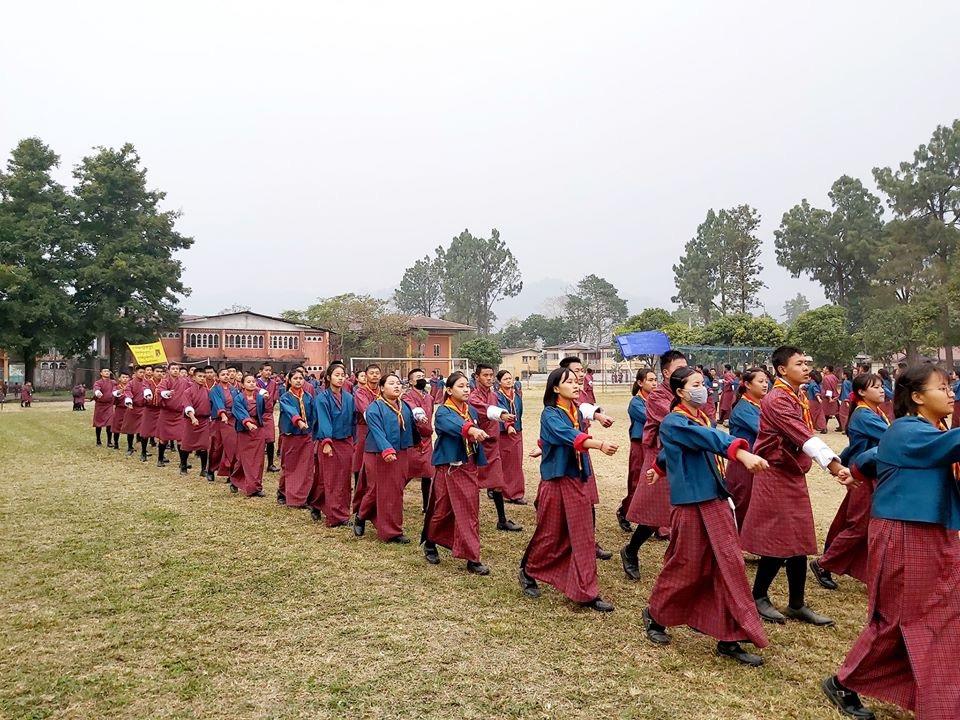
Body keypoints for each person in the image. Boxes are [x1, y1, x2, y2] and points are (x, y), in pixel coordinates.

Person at [822, 364, 960, 720]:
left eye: (951, 387)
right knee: (898, 617)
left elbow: (874, 455)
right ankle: (843, 682)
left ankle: (936, 692)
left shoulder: (921, 432)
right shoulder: (908, 429)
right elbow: (945, 446)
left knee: (941, 612)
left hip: (933, 530)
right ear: (916, 397)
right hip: (906, 532)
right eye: (942, 387)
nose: (950, 394)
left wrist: (858, 468)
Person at [641, 366, 769, 666]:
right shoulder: (675, 421)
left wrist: (659, 469)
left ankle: (730, 638)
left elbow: (676, 449)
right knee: (686, 566)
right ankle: (656, 615)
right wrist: (741, 453)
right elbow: (706, 439)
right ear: (680, 392)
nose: (705, 388)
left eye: (705, 383)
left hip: (714, 499)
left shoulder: (699, 417)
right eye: (697, 384)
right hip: (691, 505)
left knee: (729, 566)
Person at [740, 346, 853, 627]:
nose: (806, 367)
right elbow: (803, 436)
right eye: (799, 363)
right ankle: (759, 596)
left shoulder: (797, 395)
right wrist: (835, 466)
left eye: (807, 362)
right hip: (774, 473)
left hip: (791, 473)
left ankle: (796, 603)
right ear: (781, 369)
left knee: (799, 539)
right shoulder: (777, 399)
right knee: (778, 539)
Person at [519, 366, 619, 611]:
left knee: (583, 535)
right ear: (555, 388)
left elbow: (564, 435)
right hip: (555, 481)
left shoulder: (576, 411)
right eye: (570, 382)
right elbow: (564, 434)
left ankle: (586, 591)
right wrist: (598, 444)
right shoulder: (550, 413)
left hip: (577, 479)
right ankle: (529, 569)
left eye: (578, 381)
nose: (577, 385)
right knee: (551, 534)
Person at [810, 373, 889, 590]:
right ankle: (823, 563)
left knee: (852, 521)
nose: (882, 390)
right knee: (859, 525)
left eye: (882, 386)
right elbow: (892, 437)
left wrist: (842, 465)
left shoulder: (872, 412)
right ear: (862, 392)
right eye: (876, 387)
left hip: (866, 473)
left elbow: (853, 447)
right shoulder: (865, 415)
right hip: (864, 476)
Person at [622, 350, 688, 579]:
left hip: (682, 457)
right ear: (667, 372)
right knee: (654, 514)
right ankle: (631, 550)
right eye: (680, 369)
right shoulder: (659, 397)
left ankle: (680, 564)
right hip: (660, 458)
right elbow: (680, 422)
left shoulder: (687, 392)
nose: (686, 372)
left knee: (683, 512)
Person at [422, 371, 492, 574]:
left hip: (468, 466)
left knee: (469, 511)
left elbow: (479, 420)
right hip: (450, 468)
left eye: (467, 386)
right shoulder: (443, 412)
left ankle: (472, 557)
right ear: (449, 390)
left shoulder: (471, 410)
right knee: (442, 509)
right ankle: (430, 540)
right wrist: (471, 430)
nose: (466, 390)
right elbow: (455, 426)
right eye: (460, 386)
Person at [558, 355, 616, 560]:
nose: (580, 375)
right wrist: (598, 416)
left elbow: (585, 407)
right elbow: (583, 408)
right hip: (564, 457)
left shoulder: (579, 392)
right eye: (575, 372)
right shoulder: (558, 403)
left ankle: (589, 541)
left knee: (587, 497)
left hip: (581, 450)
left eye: (582, 371)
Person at [355, 373, 416, 543]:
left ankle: (394, 530)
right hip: (378, 453)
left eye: (398, 383)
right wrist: (387, 450)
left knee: (395, 490)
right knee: (376, 489)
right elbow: (377, 432)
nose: (397, 386)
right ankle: (361, 515)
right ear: (382, 388)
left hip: (401, 452)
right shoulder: (375, 408)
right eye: (391, 383)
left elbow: (412, 428)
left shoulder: (404, 406)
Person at [468, 364, 522, 532]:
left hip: (493, 444)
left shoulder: (493, 395)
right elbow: (486, 410)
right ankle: (468, 520)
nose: (489, 378)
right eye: (485, 375)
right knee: (472, 484)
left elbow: (500, 411)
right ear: (477, 377)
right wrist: (501, 415)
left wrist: (508, 423)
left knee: (498, 481)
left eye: (491, 375)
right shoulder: (473, 396)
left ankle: (502, 520)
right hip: (477, 445)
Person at [723, 368, 768, 529]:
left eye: (766, 381)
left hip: (755, 461)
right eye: (760, 381)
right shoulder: (743, 409)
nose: (765, 385)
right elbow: (764, 430)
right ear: (748, 384)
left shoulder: (758, 405)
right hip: (743, 463)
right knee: (742, 502)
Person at [315, 363, 357, 527]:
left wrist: (354, 440)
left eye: (343, 375)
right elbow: (324, 421)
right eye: (337, 375)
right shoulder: (322, 398)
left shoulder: (349, 398)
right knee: (331, 479)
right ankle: (335, 517)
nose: (340, 378)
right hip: (329, 443)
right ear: (328, 378)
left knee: (344, 480)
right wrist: (326, 442)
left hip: (346, 442)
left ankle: (343, 513)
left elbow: (353, 422)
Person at [616, 368, 657, 535]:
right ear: (640, 383)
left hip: (653, 445)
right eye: (650, 380)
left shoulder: (654, 400)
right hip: (639, 445)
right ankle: (625, 512)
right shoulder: (636, 402)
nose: (654, 383)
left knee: (653, 482)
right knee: (637, 482)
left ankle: (653, 523)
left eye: (656, 379)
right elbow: (651, 418)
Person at [277, 369, 317, 510]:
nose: (299, 381)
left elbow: (313, 415)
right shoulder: (285, 397)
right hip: (291, 435)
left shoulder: (308, 397)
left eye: (301, 378)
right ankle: (283, 493)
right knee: (289, 465)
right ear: (289, 380)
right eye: (295, 378)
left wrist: (313, 430)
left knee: (305, 467)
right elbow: (290, 411)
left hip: (306, 436)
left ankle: (301, 497)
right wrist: (298, 421)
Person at [230, 372, 268, 497]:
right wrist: (248, 423)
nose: (251, 384)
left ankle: (256, 487)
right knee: (244, 459)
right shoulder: (238, 398)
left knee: (258, 459)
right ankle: (236, 480)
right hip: (245, 430)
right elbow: (239, 412)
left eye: (253, 382)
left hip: (258, 430)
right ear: (242, 384)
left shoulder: (260, 398)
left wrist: (256, 424)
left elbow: (262, 411)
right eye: (248, 382)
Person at [402, 368, 435, 512]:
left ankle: (426, 505)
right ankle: (395, 496)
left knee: (428, 472)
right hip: (413, 438)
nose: (422, 379)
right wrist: (420, 416)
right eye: (418, 377)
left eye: (423, 376)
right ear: (411, 382)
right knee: (407, 472)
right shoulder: (406, 397)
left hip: (427, 438)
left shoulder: (429, 398)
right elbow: (414, 410)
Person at [351, 364, 382, 517]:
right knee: (361, 464)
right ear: (366, 375)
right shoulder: (361, 392)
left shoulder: (383, 391)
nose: (375, 376)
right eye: (372, 373)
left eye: (377, 373)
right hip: (364, 430)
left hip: (383, 431)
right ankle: (359, 498)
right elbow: (367, 412)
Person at [494, 369, 526, 505]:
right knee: (507, 463)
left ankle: (515, 491)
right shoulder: (497, 396)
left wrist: (516, 426)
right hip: (505, 433)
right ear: (499, 382)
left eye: (510, 378)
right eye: (505, 379)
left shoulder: (516, 394)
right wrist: (508, 426)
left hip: (517, 432)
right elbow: (501, 411)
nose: (508, 381)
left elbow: (520, 411)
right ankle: (511, 494)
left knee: (517, 462)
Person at [180, 368, 212, 477]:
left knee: (204, 445)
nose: (202, 379)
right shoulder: (187, 392)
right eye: (200, 376)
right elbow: (187, 406)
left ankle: (203, 469)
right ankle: (183, 466)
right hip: (190, 420)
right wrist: (193, 418)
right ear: (193, 377)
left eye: (204, 377)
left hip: (204, 421)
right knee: (186, 444)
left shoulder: (208, 392)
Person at [209, 367, 238, 483]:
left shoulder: (234, 389)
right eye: (223, 374)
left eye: (228, 374)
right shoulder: (215, 390)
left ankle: (230, 473)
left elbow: (238, 402)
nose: (226, 376)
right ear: (218, 377)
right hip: (219, 420)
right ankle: (211, 470)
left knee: (231, 446)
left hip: (232, 420)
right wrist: (222, 414)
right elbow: (218, 403)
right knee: (217, 447)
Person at [156, 362, 187, 468]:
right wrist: (166, 393)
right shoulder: (165, 381)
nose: (175, 370)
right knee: (163, 438)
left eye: (177, 369)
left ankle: (183, 463)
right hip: (166, 413)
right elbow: (159, 391)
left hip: (179, 414)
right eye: (173, 369)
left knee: (181, 438)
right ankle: (160, 459)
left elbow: (191, 390)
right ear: (168, 371)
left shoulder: (184, 381)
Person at [257, 364, 280, 473]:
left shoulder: (274, 384)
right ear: (260, 371)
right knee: (258, 440)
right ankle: (257, 464)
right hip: (257, 414)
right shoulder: (255, 383)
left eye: (270, 370)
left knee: (271, 440)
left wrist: (269, 405)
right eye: (266, 370)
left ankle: (270, 464)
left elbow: (274, 398)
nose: (268, 372)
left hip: (268, 413)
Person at [121, 366, 148, 456]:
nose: (142, 374)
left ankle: (144, 449)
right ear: (136, 373)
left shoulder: (147, 382)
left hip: (143, 408)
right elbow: (127, 392)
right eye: (140, 372)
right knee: (130, 429)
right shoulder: (131, 383)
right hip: (133, 407)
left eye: (143, 373)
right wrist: (129, 401)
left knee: (143, 429)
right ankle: (130, 447)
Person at [138, 366, 163, 462]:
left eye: (161, 371)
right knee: (145, 432)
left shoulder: (165, 382)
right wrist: (148, 394)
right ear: (153, 372)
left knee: (162, 434)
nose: (159, 373)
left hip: (161, 410)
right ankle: (143, 452)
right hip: (149, 409)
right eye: (157, 371)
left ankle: (161, 455)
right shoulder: (147, 382)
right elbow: (145, 388)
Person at [92, 368, 115, 446]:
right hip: (100, 405)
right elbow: (96, 388)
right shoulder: (98, 382)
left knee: (110, 423)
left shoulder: (113, 382)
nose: (107, 372)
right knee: (98, 423)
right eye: (105, 371)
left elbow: (119, 386)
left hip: (109, 405)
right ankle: (98, 440)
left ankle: (109, 441)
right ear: (101, 373)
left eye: (108, 371)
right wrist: (97, 392)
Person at [109, 370, 130, 450]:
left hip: (129, 409)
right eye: (123, 377)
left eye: (127, 377)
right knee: (116, 427)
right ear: (120, 379)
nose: (125, 379)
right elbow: (114, 394)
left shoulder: (130, 387)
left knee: (129, 427)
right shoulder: (116, 387)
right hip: (120, 409)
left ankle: (130, 445)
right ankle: (116, 443)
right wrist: (119, 392)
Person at [807, 369, 828, 433]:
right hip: (815, 402)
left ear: (810, 377)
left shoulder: (812, 384)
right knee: (819, 415)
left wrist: (819, 399)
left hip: (813, 401)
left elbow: (816, 392)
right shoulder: (815, 383)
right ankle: (822, 427)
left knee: (814, 415)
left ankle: (819, 427)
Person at [821, 366, 840, 430]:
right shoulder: (834, 377)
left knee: (825, 412)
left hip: (828, 398)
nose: (823, 369)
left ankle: (824, 428)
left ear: (827, 370)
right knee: (836, 412)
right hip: (835, 396)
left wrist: (829, 398)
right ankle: (841, 426)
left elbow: (828, 388)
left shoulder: (826, 378)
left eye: (825, 368)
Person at [838, 368, 853, 432]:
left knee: (843, 414)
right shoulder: (850, 382)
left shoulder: (845, 382)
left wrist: (846, 401)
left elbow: (845, 392)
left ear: (845, 375)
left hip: (845, 400)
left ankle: (845, 428)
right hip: (850, 400)